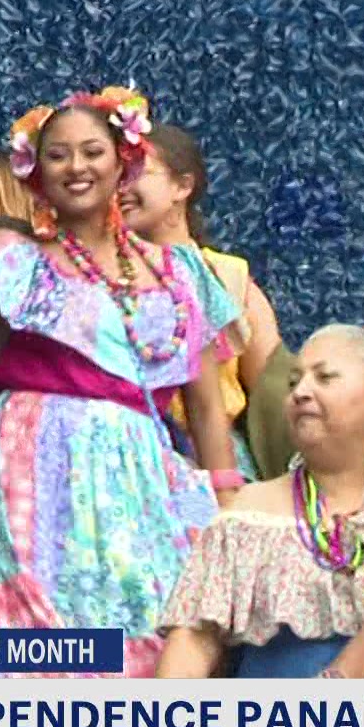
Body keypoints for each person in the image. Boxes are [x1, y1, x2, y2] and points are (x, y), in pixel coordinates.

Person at [0, 84, 245, 677]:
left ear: (123, 159)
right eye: (57, 155)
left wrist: (229, 511)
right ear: (36, 172)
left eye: (91, 151)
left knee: (155, 644)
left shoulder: (181, 272)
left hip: (141, 481)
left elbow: (206, 409)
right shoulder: (20, 261)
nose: (76, 166)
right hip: (32, 475)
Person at [154, 326, 364, 679]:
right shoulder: (246, 514)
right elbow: (193, 639)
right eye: (293, 382)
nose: (301, 392)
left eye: (325, 377)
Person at [123, 121, 289, 481]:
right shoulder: (99, 274)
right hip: (127, 458)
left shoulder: (229, 277)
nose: (123, 186)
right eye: (117, 173)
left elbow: (271, 391)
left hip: (214, 467)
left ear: (183, 185)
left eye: (138, 172)